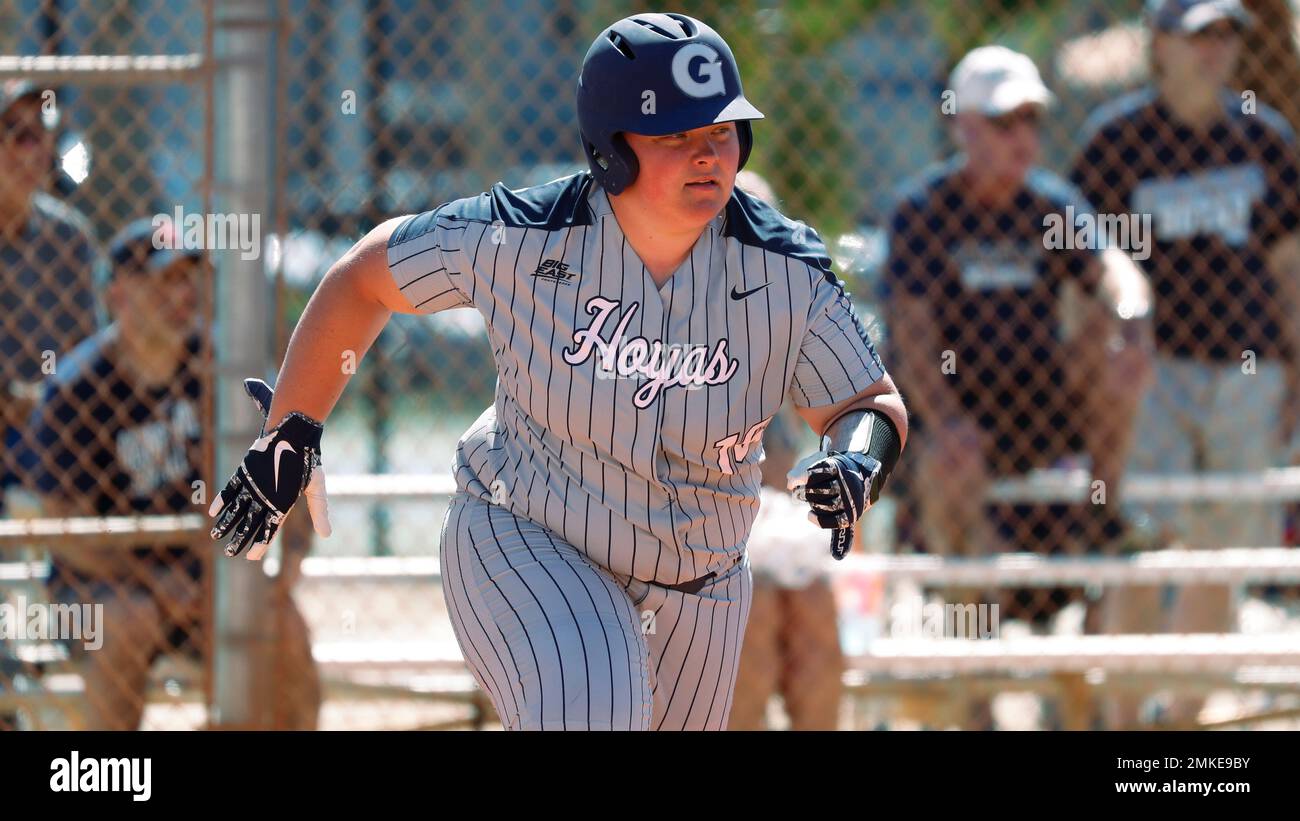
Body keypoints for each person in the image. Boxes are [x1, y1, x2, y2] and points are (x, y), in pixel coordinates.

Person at [208, 12, 907, 731]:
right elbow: (365, 278)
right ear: (612, 150)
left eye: (721, 131)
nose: (707, 155)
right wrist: (292, 428)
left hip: (701, 584)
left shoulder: (785, 265)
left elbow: (869, 401)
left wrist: (856, 463)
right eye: (675, 135)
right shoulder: (525, 236)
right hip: (530, 538)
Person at [882, 46, 1152, 727]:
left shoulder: (1049, 204)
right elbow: (913, 337)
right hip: (960, 423)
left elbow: (1114, 268)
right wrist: (944, 420)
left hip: (1043, 416)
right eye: (1004, 122)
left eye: (1031, 121)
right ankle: (980, 697)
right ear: (964, 127)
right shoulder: (924, 211)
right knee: (955, 463)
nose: (1022, 138)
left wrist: (1130, 314)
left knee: (1109, 328)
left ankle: (1102, 512)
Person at [1070, 0, 1300, 727]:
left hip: (1246, 369)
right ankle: (1127, 720)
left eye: (1226, 35)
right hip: (1152, 371)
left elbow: (1290, 264)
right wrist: (1090, 377)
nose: (1215, 51)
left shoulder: (1263, 137)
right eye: (1198, 35)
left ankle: (1183, 726)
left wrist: (1296, 365)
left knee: (1219, 554)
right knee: (1143, 543)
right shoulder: (1116, 142)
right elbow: (1080, 275)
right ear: (1159, 46)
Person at [22, 218, 320, 730]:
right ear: (118, 294)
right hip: (107, 584)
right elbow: (63, 529)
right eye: (164, 281)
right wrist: (153, 583)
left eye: (190, 279)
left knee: (283, 630)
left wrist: (286, 560)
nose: (183, 295)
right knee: (126, 624)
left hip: (208, 578)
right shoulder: (77, 389)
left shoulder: (224, 368)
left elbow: (292, 469)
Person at [726, 171, 846, 731]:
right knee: (752, 604)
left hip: (763, 530)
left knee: (813, 597)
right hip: (678, 534)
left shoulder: (785, 328)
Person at [0, 79, 99, 516]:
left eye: (37, 136)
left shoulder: (69, 237)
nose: (28, 152)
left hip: (52, 428)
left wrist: (44, 400)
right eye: (12, 134)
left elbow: (91, 355)